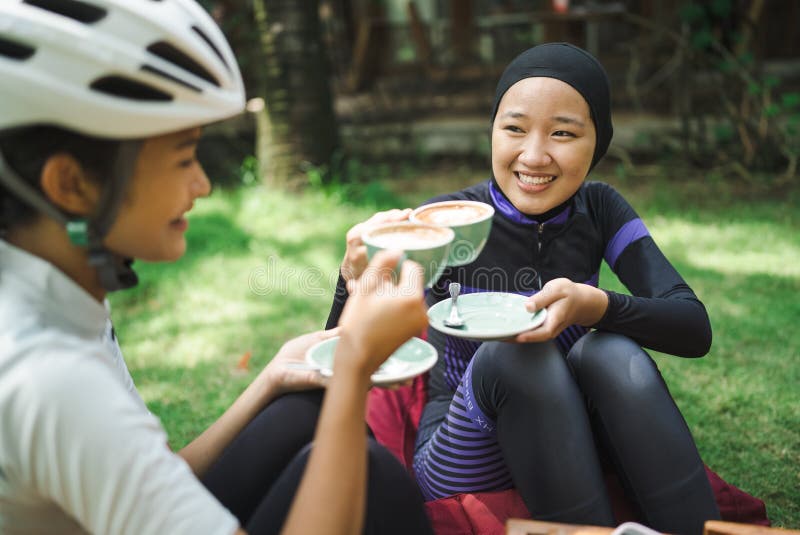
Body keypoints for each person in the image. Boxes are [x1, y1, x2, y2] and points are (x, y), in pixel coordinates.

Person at [0, 1, 434, 534]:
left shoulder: (50, 293)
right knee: (370, 475)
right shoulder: (51, 378)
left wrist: (271, 377)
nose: (202, 185)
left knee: (304, 404)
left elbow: (155, 477)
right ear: (70, 184)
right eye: (185, 158)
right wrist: (353, 372)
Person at [326, 43, 722, 535]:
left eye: (562, 133)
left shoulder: (599, 209)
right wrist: (351, 284)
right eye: (514, 128)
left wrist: (597, 307)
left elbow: (692, 327)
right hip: (464, 444)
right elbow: (342, 363)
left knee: (609, 350)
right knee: (513, 355)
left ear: (597, 144)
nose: (534, 155)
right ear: (492, 131)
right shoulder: (449, 223)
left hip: (570, 439)